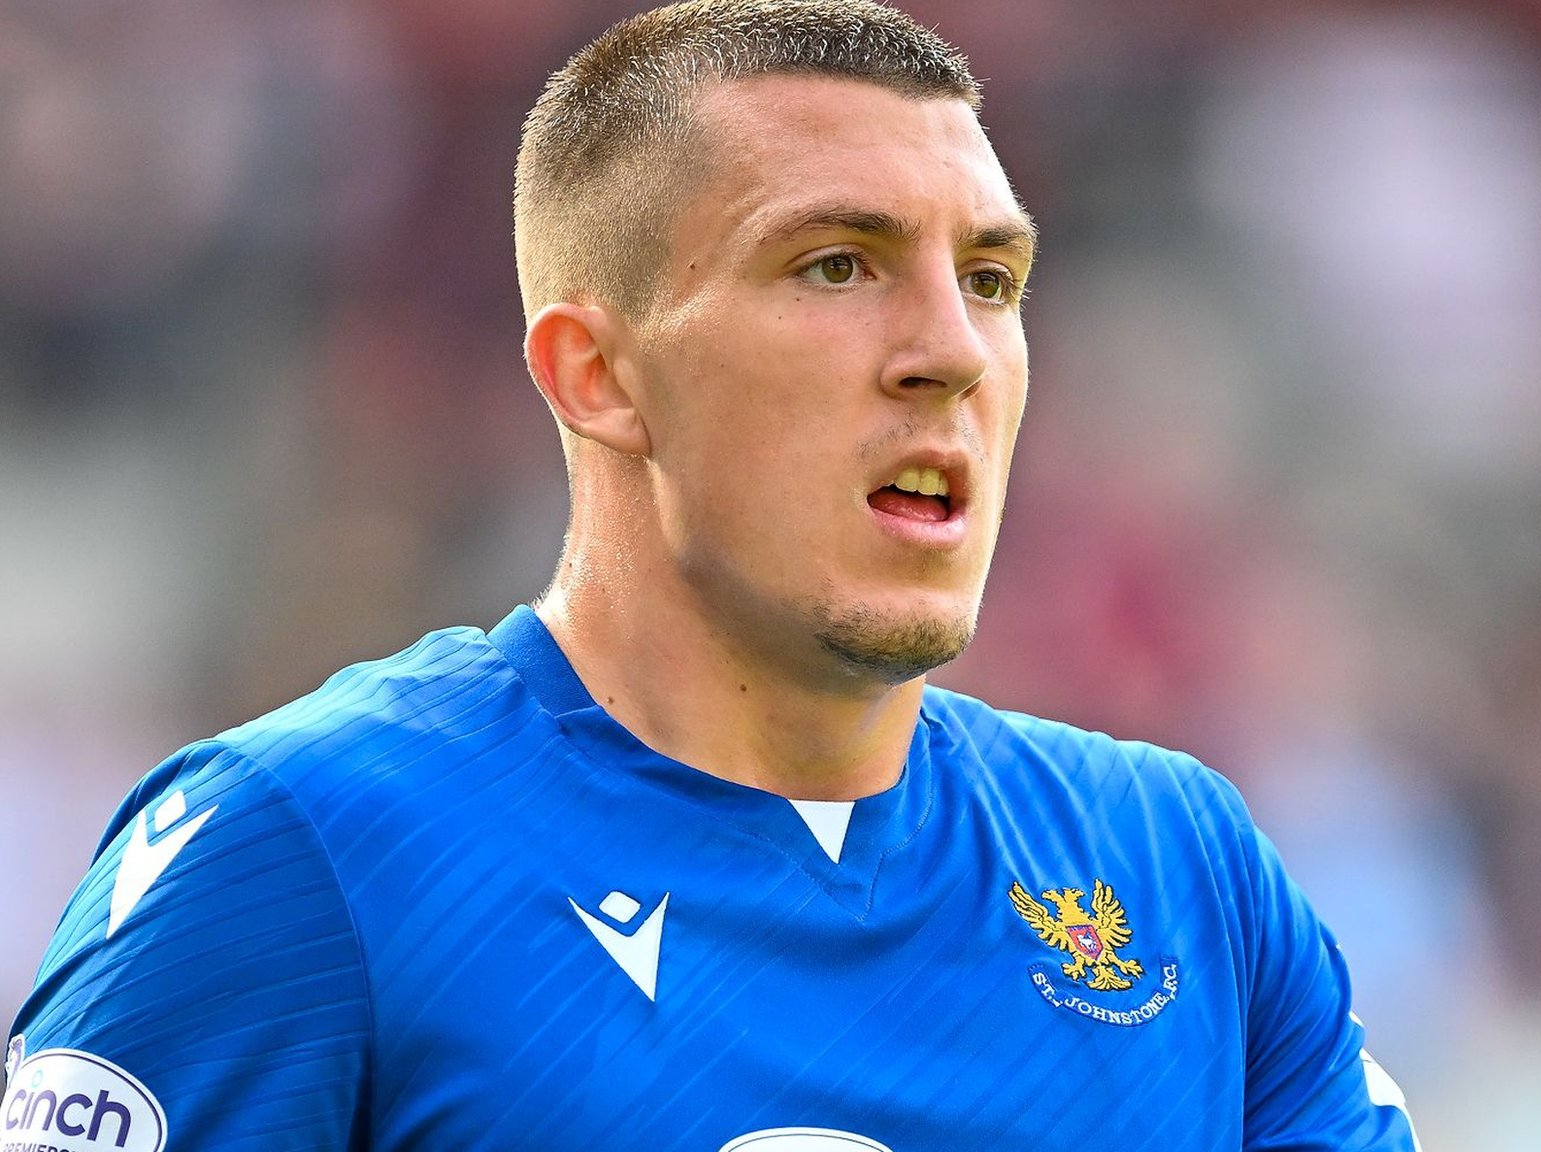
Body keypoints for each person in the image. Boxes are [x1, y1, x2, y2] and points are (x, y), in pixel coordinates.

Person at [4, 2, 1418, 1148]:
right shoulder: (305, 848)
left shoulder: (1176, 871)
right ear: (599, 375)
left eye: (991, 280)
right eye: (837, 265)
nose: (951, 352)